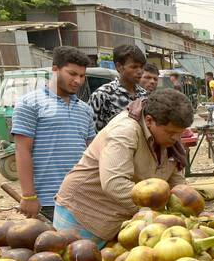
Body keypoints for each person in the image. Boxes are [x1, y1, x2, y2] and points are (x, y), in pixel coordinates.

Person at [55, 88, 193, 245]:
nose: (176, 138)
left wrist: (186, 208)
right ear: (149, 121)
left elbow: (177, 184)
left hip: (121, 217)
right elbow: (114, 183)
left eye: (180, 133)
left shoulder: (168, 139)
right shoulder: (125, 131)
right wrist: (155, 214)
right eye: (171, 132)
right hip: (84, 212)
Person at [11, 46, 95, 222]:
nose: (78, 81)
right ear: (55, 70)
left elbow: (92, 152)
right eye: (72, 74)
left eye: (81, 76)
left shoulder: (85, 109)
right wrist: (28, 196)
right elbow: (22, 151)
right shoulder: (30, 103)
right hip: (48, 198)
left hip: (82, 197)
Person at [90, 43, 148, 131]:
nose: (140, 71)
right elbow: (91, 133)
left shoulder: (144, 95)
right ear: (119, 67)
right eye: (134, 67)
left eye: (142, 67)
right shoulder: (103, 95)